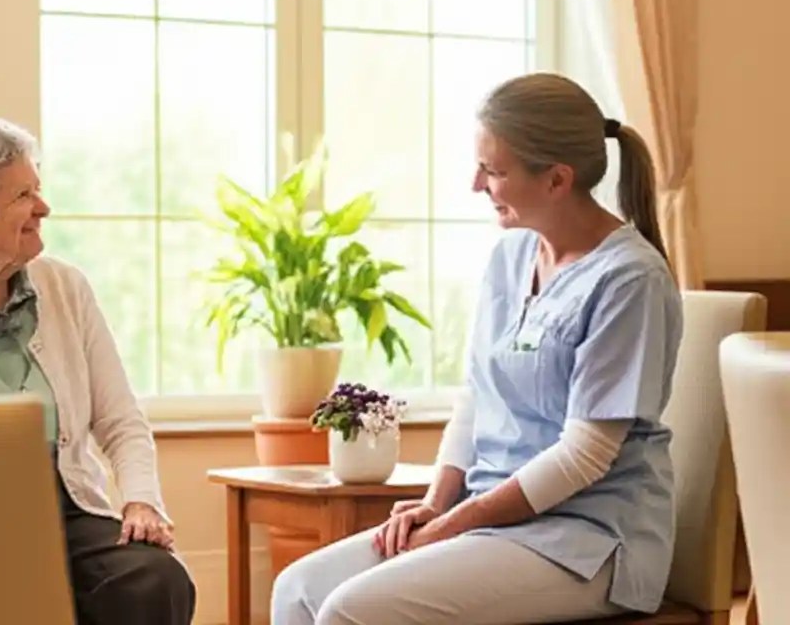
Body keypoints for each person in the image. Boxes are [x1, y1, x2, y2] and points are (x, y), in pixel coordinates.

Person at [271, 73, 683, 624]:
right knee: (298, 589)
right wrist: (435, 504)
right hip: (492, 520)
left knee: (354, 611)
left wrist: (450, 527)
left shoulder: (630, 281)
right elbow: (476, 399)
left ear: (557, 180)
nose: (475, 183)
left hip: (588, 540)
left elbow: (584, 455)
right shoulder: (510, 259)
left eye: (493, 170)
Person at [0, 118, 195, 625]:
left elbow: (120, 420)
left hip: (71, 513)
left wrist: (140, 502)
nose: (43, 207)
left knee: (156, 578)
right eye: (23, 194)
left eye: (37, 189)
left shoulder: (66, 286)